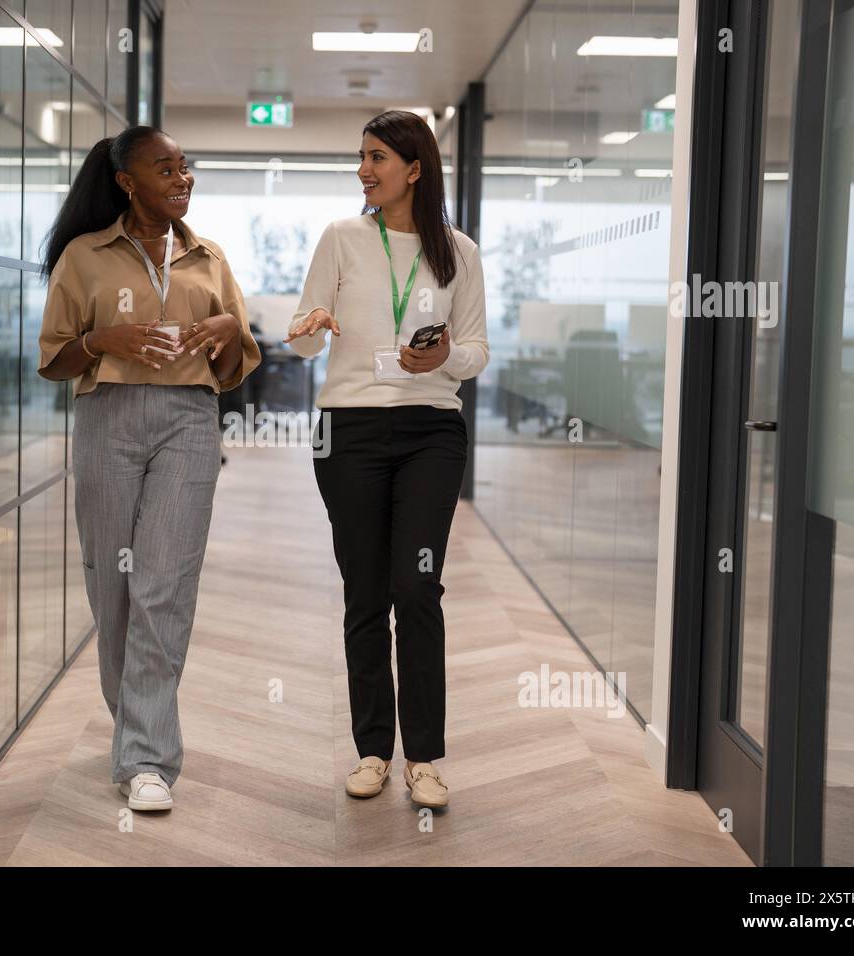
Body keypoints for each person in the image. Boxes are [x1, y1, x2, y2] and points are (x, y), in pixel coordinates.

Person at [37, 126, 260, 811]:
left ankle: (146, 759)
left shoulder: (209, 257)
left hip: (190, 421)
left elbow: (232, 366)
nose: (182, 178)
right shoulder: (83, 256)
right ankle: (134, 725)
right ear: (129, 182)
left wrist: (230, 333)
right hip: (108, 416)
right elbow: (53, 358)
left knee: (165, 587)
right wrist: (102, 339)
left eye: (186, 167)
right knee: (115, 588)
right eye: (166, 169)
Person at [285, 110, 489, 809]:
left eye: (376, 158)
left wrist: (443, 356)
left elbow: (476, 351)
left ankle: (424, 759)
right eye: (361, 158)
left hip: (431, 429)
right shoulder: (341, 238)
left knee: (416, 589)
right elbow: (304, 340)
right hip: (347, 431)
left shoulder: (458, 251)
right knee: (366, 592)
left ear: (415, 168)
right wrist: (309, 328)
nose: (364, 170)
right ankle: (373, 750)